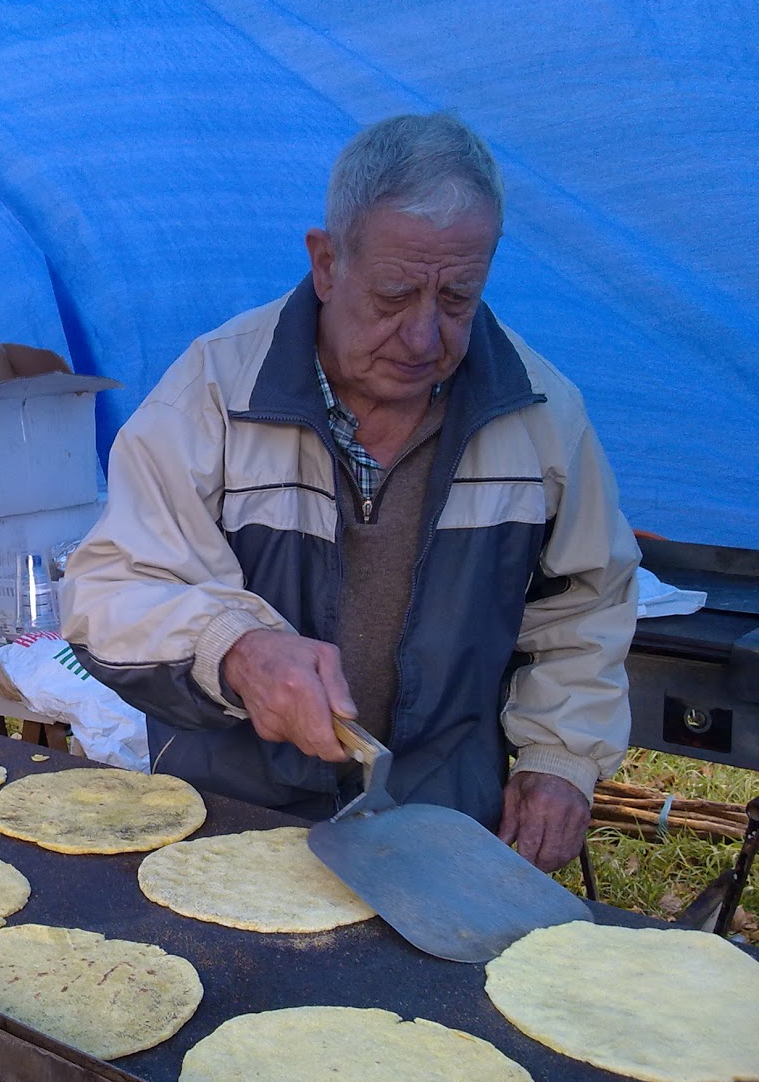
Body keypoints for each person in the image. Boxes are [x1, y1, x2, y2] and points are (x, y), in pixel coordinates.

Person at [61, 113, 638, 873]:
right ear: (327, 263)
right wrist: (234, 648)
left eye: (457, 298)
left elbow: (587, 605)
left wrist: (559, 759)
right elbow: (112, 586)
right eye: (394, 295)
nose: (424, 337)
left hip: (444, 824)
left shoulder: (538, 413)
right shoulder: (215, 391)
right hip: (231, 821)